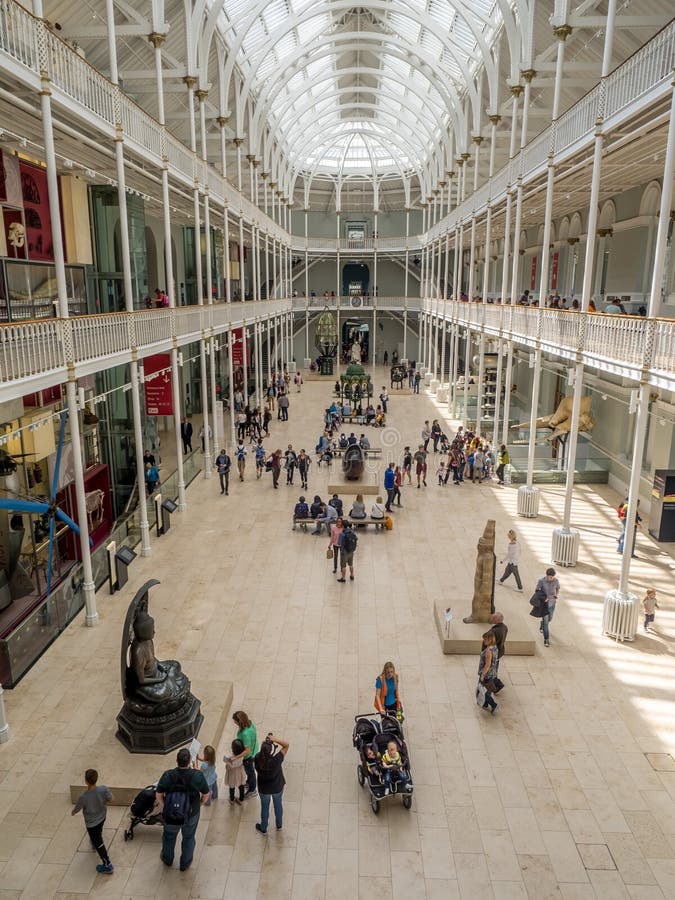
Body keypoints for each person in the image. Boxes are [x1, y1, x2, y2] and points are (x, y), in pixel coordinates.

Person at [157, 748, 210, 871]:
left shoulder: (168, 775)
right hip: (191, 813)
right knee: (189, 837)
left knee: (169, 837)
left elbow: (158, 795)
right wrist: (199, 805)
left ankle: (167, 859)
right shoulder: (197, 776)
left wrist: (166, 806)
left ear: (177, 761)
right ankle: (185, 863)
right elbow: (206, 795)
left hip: (171, 813)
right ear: (189, 761)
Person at [71, 769, 114, 874]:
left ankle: (107, 864)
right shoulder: (103, 789)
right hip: (102, 817)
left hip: (91, 823)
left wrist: (73, 812)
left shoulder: (84, 797)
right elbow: (111, 799)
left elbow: (77, 809)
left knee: (98, 842)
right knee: (98, 832)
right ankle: (95, 842)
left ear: (86, 781)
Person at [254, 733, 290, 834]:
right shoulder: (276, 760)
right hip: (277, 787)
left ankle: (264, 828)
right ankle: (279, 825)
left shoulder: (257, 758)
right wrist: (275, 739)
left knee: (265, 807)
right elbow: (286, 745)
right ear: (271, 751)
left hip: (264, 789)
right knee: (278, 805)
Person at [232, 711, 259, 798]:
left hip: (248, 757)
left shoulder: (245, 734)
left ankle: (252, 790)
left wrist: (236, 757)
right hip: (254, 750)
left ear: (240, 722)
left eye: (235, 721)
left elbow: (247, 750)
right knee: (250, 772)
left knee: (250, 772)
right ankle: (249, 783)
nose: (234, 723)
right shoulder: (250, 724)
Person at [536, 567, 560, 647]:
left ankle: (542, 623)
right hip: (544, 605)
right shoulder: (541, 581)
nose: (551, 578)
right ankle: (546, 639)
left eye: (552, 577)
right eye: (550, 577)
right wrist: (543, 598)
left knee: (550, 619)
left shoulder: (556, 581)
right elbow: (537, 590)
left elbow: (558, 588)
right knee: (546, 623)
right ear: (546, 575)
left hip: (552, 603)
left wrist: (556, 595)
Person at [478, 632, 499, 714]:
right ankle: (485, 704)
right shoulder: (495, 647)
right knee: (488, 690)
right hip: (492, 672)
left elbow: (487, 665)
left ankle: (494, 705)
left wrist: (483, 675)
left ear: (490, 640)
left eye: (485, 639)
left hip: (487, 674)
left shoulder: (488, 651)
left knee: (483, 691)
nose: (484, 641)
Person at [489, 612, 508, 693]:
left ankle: (497, 684)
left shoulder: (495, 631)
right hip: (499, 652)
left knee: (491, 670)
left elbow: (490, 644)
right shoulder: (504, 627)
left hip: (494, 654)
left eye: (493, 618)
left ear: (497, 620)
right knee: (494, 668)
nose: (491, 619)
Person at [224, 738, 247, 803]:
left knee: (232, 787)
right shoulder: (242, 755)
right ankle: (241, 799)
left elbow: (228, 767)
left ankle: (232, 799)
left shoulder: (230, 758)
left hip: (232, 774)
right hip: (240, 772)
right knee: (241, 786)